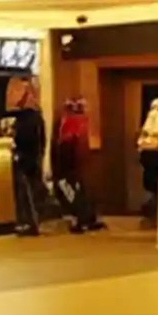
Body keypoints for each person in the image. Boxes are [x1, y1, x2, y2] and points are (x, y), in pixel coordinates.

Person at [52, 97, 105, 234]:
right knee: (81, 192)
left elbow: (64, 147)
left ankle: (81, 219)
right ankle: (88, 218)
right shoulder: (82, 123)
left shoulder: (68, 124)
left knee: (71, 193)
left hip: (69, 167)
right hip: (79, 167)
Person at [10, 93, 47, 237]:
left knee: (25, 193)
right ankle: (34, 222)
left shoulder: (25, 120)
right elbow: (41, 140)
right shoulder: (37, 119)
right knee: (32, 190)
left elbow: (23, 139)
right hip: (35, 158)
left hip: (26, 158)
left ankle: (30, 223)